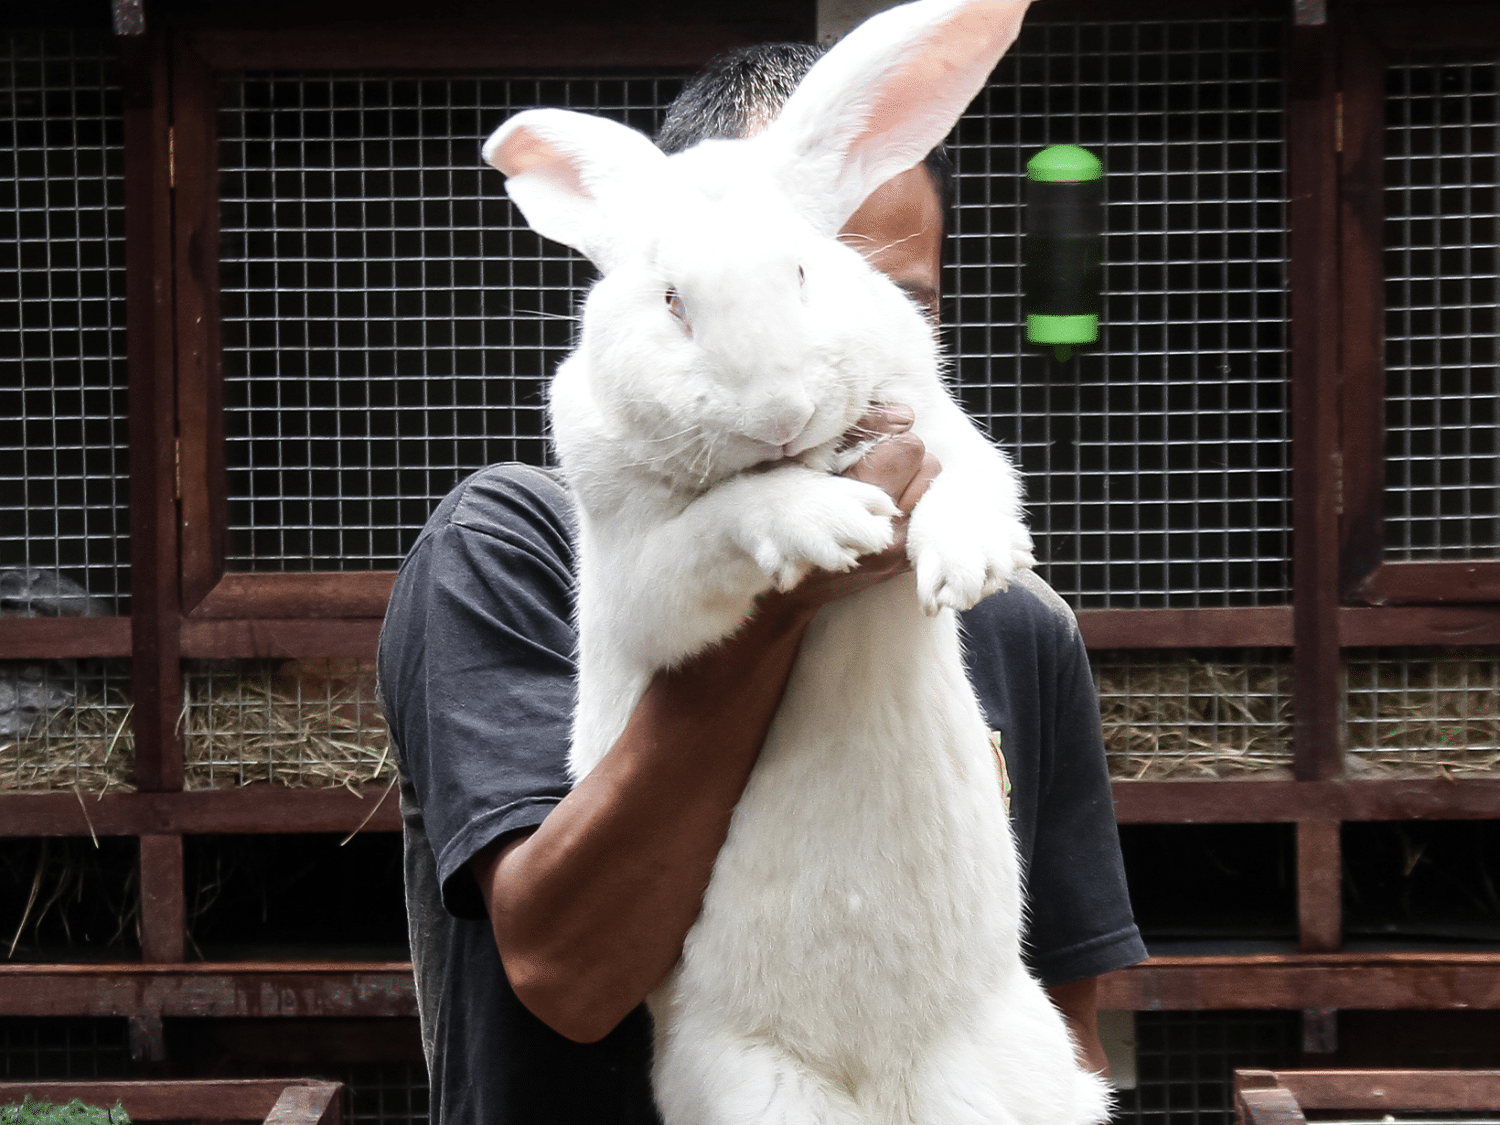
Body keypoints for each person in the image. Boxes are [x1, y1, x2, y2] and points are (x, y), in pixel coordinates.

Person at [378, 42, 1145, 1125]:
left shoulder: (1012, 619)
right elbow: (571, 973)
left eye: (892, 294)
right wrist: (774, 589)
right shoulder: (512, 548)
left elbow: (1060, 1006)